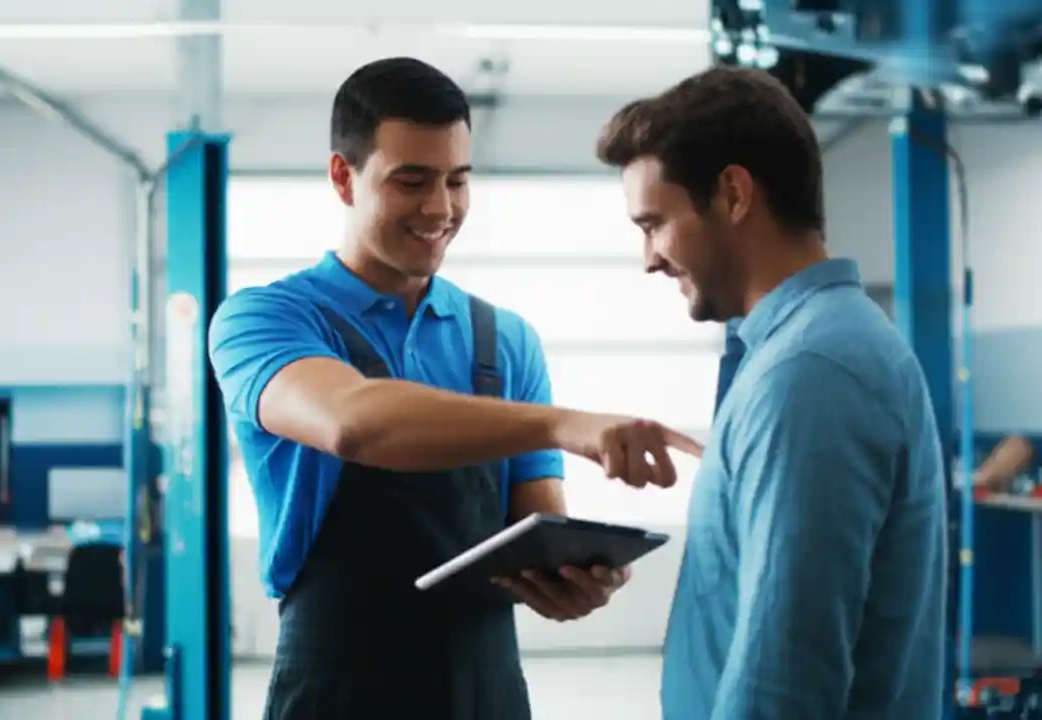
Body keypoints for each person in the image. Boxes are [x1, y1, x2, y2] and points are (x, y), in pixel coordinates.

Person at [208, 56, 701, 720]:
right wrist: (563, 423)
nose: (439, 208)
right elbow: (354, 423)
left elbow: (535, 524)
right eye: (410, 181)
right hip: (336, 686)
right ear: (342, 178)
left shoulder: (505, 341)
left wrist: (567, 579)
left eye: (457, 181)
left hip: (486, 688)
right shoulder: (265, 319)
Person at [594, 66, 948, 719]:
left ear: (732, 194)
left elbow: (785, 679)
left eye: (654, 224)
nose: (648, 257)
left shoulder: (810, 372)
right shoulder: (811, 351)